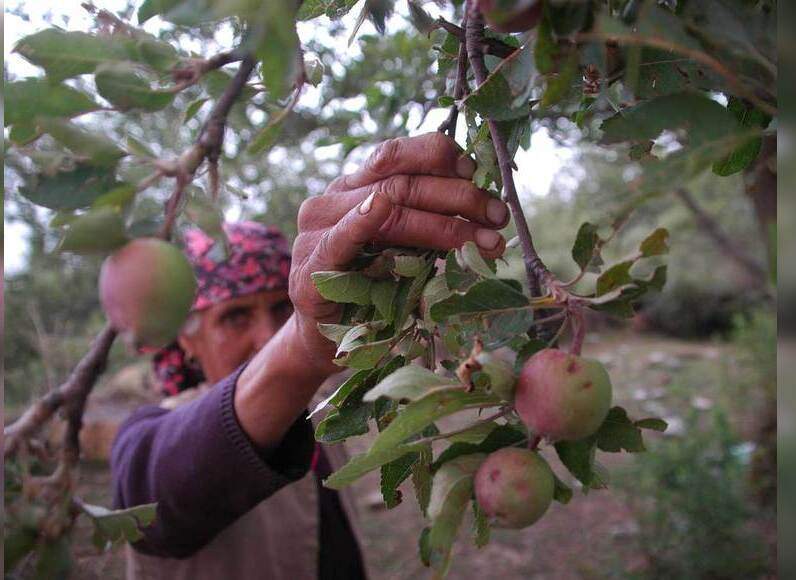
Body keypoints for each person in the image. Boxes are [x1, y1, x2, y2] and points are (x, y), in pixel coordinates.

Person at [111, 132, 510, 579]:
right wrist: (298, 344)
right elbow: (149, 501)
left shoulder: (317, 417)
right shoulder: (149, 435)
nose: (266, 335)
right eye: (235, 318)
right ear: (186, 339)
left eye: (282, 308)